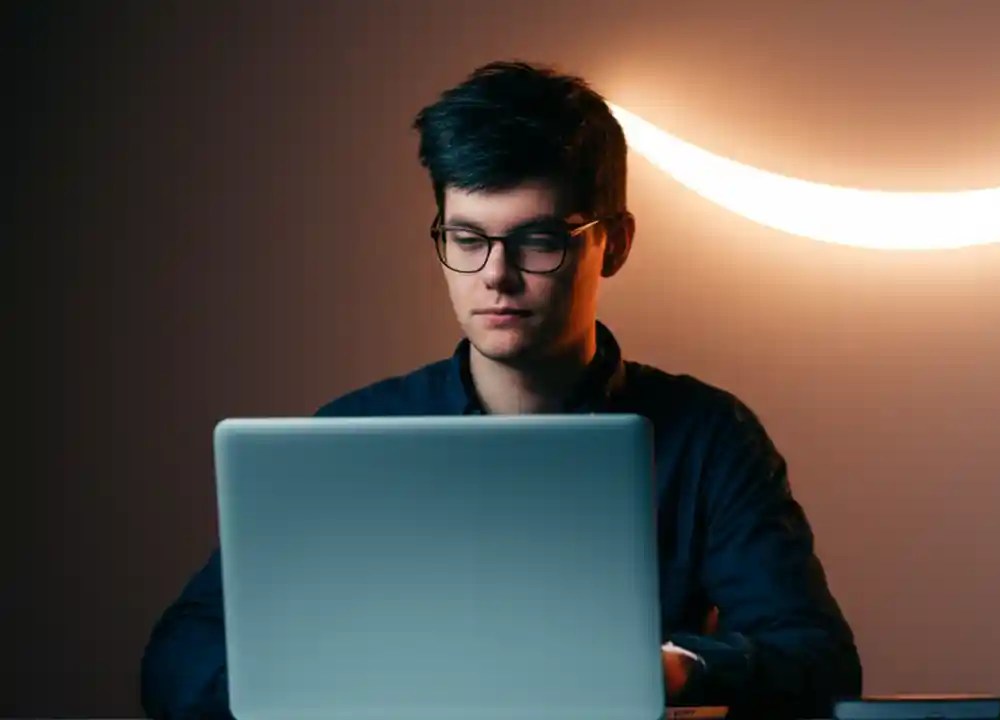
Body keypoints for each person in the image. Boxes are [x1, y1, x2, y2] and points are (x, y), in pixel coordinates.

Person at [140, 60, 862, 720]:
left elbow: (819, 661)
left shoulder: (707, 435)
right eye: (466, 238)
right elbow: (179, 659)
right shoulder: (353, 434)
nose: (496, 275)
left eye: (538, 241)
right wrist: (331, 683)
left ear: (614, 242)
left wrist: (673, 669)